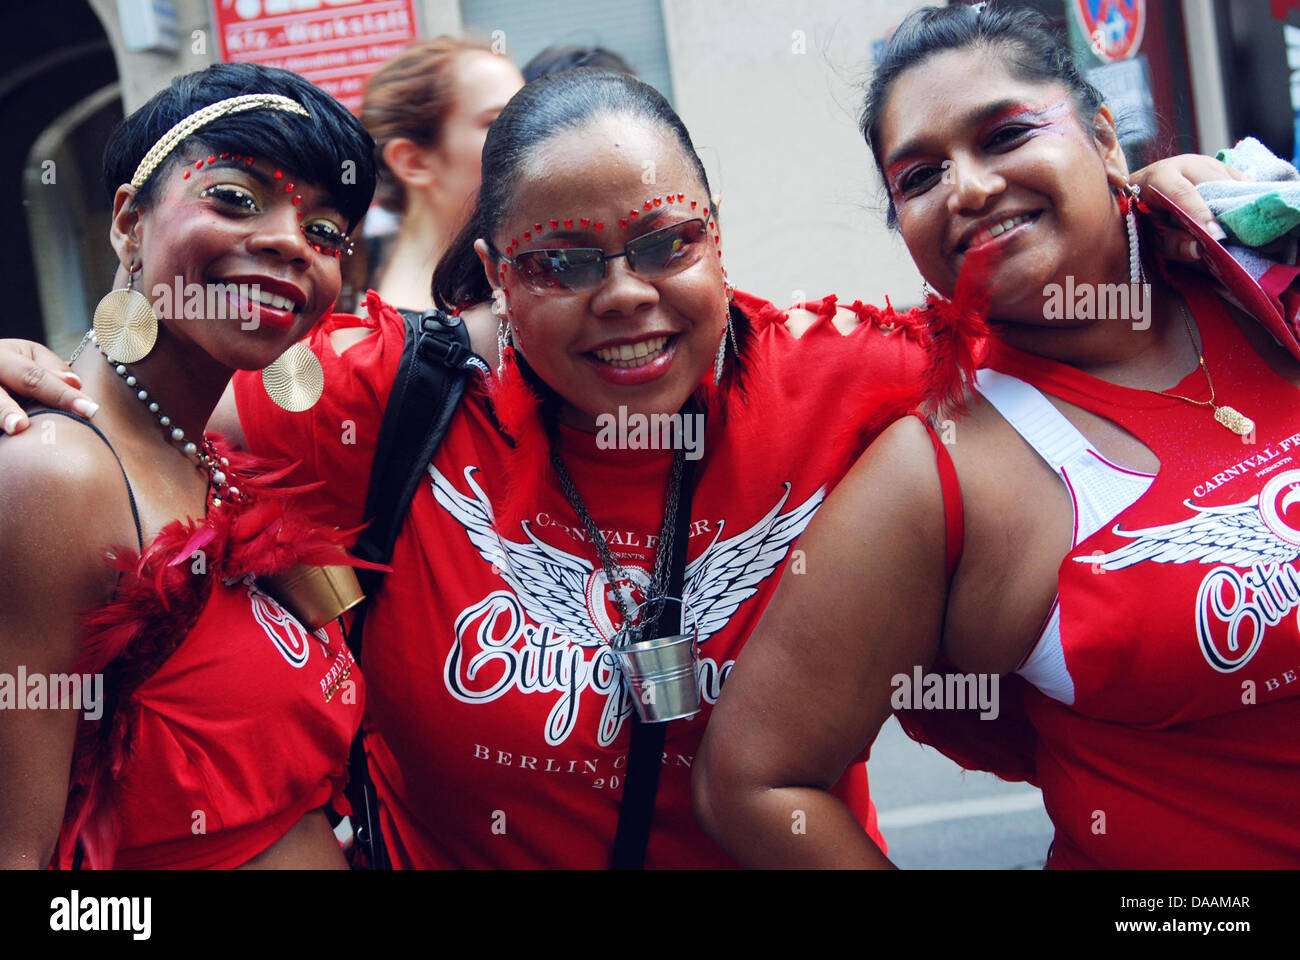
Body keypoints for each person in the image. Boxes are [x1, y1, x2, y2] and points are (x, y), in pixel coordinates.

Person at [0, 67, 1232, 868]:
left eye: (665, 241)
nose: (627, 296)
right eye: (562, 260)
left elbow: (1072, 345)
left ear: (714, 229)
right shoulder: (375, 396)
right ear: (490, 271)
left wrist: (1169, 227)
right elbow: (146, 408)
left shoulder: (852, 378)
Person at [693, 2, 1300, 868]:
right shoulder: (943, 471)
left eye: (1006, 133)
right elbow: (752, 781)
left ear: (1103, 138)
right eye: (919, 176)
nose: (969, 187)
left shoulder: (1267, 278)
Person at [0, 62, 378, 869]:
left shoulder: (216, 463)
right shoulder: (59, 476)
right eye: (236, 198)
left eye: (326, 233)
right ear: (129, 223)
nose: (289, 242)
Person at [359, 37, 524, 314]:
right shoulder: (398, 341)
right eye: (498, 122)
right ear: (413, 162)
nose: (533, 136)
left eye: (526, 114)